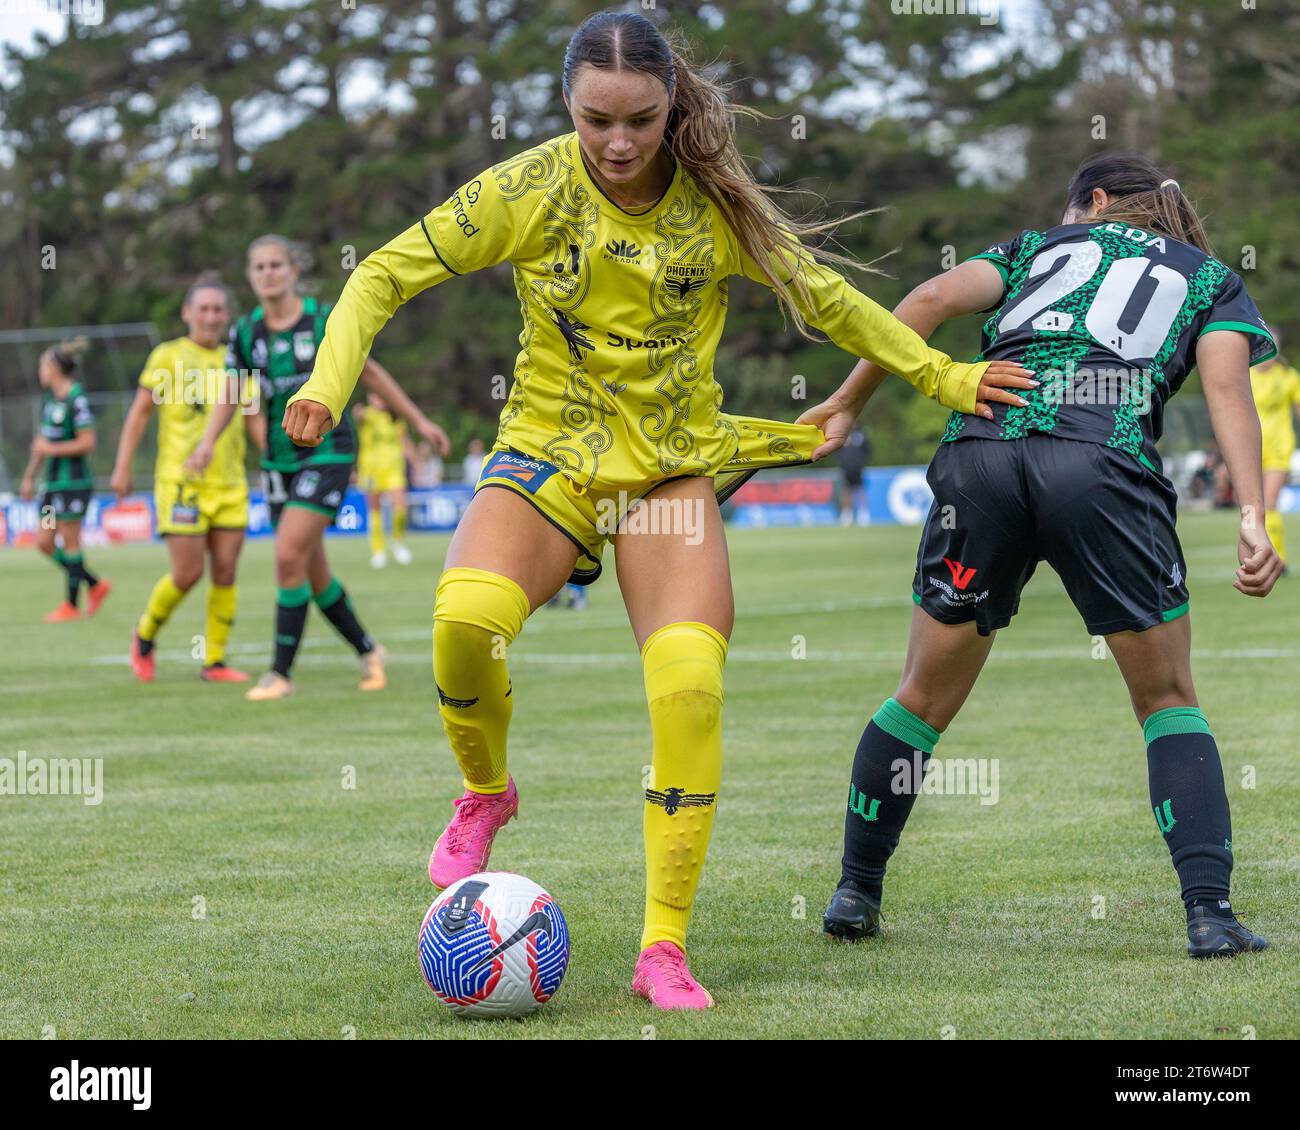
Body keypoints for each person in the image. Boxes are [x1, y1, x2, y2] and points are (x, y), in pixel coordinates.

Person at [281, 10, 1032, 1008]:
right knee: (464, 625)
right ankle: (487, 789)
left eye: (639, 118)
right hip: (547, 461)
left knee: (687, 686)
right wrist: (329, 386)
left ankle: (661, 948)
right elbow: (380, 273)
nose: (619, 142)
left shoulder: (711, 205)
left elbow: (829, 300)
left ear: (670, 104)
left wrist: (942, 373)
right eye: (596, 120)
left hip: (668, 479)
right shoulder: (526, 188)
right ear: (567, 107)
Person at [804, 153, 1279, 959]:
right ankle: (1209, 916)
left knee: (919, 695)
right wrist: (1253, 512)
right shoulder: (1206, 275)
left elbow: (923, 301)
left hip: (984, 445)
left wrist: (848, 403)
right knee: (1166, 695)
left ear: (1090, 201)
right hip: (1101, 458)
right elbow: (1229, 390)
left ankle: (855, 892)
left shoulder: (1033, 250)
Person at [187, 234, 450, 701]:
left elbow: (369, 373)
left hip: (328, 453)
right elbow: (233, 391)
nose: (268, 273)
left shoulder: (325, 318)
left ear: (293, 271)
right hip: (278, 461)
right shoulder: (246, 333)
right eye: (259, 267)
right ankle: (369, 651)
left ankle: (279, 673)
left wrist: (418, 420)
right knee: (312, 573)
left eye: (276, 265)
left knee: (287, 555)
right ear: (251, 277)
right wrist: (207, 443)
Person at [113, 276, 262, 682]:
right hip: (181, 482)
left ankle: (214, 662)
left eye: (218, 309)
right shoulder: (168, 356)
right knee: (188, 572)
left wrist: (283, 458)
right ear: (187, 313)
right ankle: (144, 635)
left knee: (227, 571)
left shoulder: (239, 360)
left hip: (230, 482)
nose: (211, 316)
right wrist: (123, 465)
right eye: (204, 308)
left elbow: (253, 420)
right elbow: (141, 412)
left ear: (227, 315)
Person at [20, 338, 111, 622]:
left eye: (42, 366)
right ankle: (95, 584)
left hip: (73, 484)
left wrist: (51, 449)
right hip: (51, 486)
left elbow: (88, 443)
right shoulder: (50, 402)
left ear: (55, 367)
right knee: (44, 541)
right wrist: (29, 476)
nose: (40, 371)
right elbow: (41, 444)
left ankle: (70, 606)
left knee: (71, 541)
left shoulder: (77, 399)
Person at [1249, 329, 1299, 569]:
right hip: (1250, 448)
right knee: (1252, 506)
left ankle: (1277, 559)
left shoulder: (1289, 377)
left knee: (1269, 502)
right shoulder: (1245, 374)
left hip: (1279, 447)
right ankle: (1258, 554)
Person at [354, 390, 413, 567]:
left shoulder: (396, 418)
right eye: (375, 396)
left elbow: (404, 442)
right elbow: (356, 417)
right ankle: (378, 550)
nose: (379, 400)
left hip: (394, 469)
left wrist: (416, 461)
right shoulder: (367, 415)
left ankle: (397, 541)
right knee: (375, 510)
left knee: (400, 507)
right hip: (371, 470)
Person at [837, 427, 870, 526]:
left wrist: (861, 461)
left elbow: (867, 450)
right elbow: (838, 450)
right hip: (846, 467)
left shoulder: (861, 436)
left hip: (858, 467)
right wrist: (842, 461)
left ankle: (863, 514)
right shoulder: (843, 436)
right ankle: (847, 514)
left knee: (860, 490)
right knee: (846, 490)